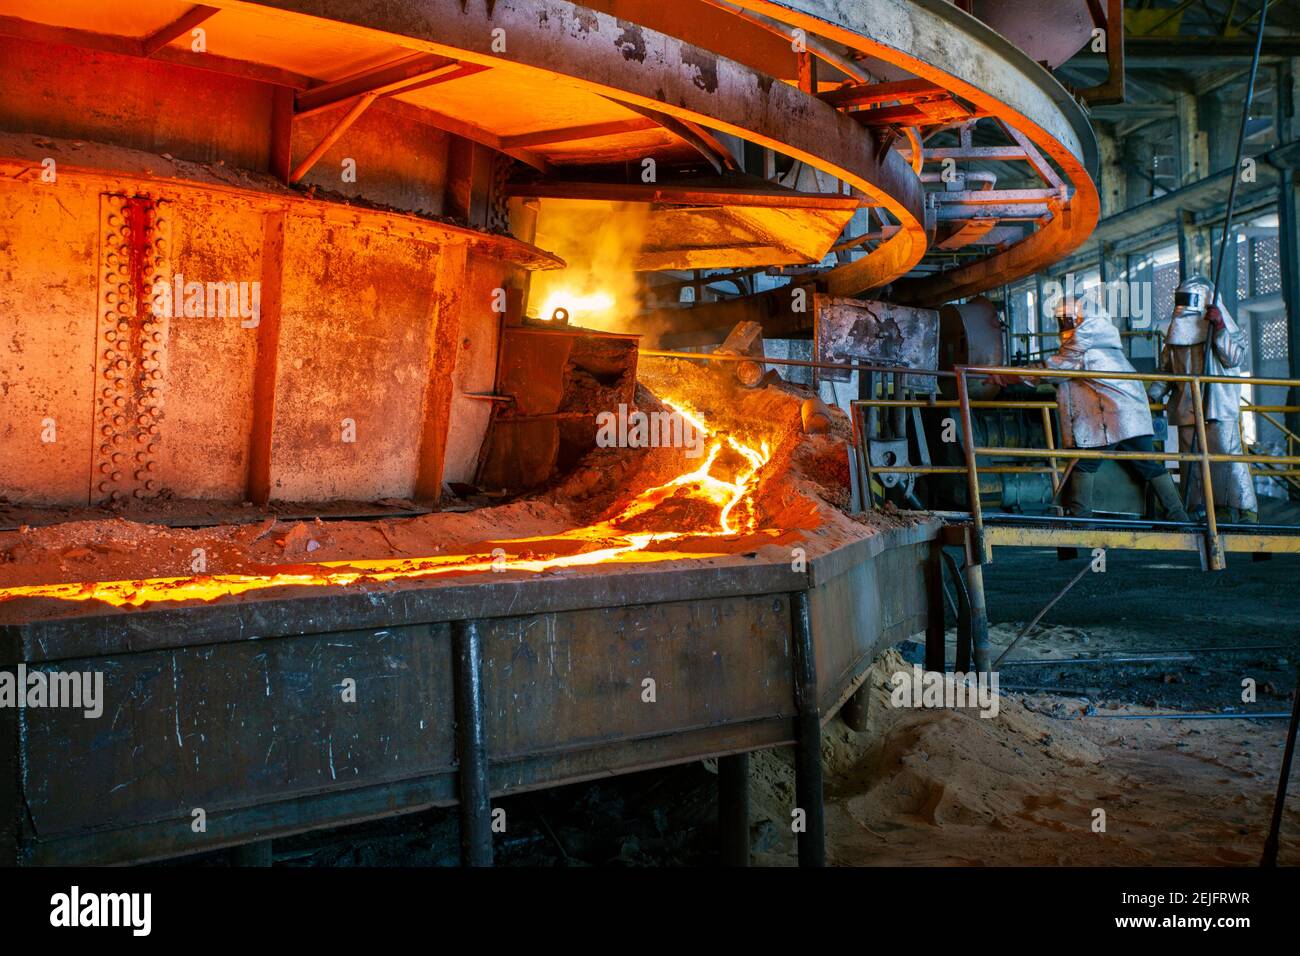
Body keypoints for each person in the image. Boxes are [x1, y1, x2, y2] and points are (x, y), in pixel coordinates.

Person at [993, 297, 1189, 521]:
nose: (1064, 325)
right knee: (1148, 464)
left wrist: (1007, 376)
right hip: (1130, 417)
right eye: (1062, 321)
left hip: (1112, 419)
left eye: (1068, 320)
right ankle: (1178, 517)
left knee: (1085, 463)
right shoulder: (1106, 346)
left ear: (1082, 320)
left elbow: (1052, 370)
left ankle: (1081, 519)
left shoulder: (1084, 349)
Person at [1147, 275, 1258, 523]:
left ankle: (1241, 510)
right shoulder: (1175, 336)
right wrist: (1150, 395)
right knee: (1192, 464)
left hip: (1217, 406)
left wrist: (1218, 328)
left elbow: (1234, 358)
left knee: (1226, 460)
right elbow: (1166, 372)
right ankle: (1199, 508)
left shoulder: (1225, 329)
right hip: (1187, 408)